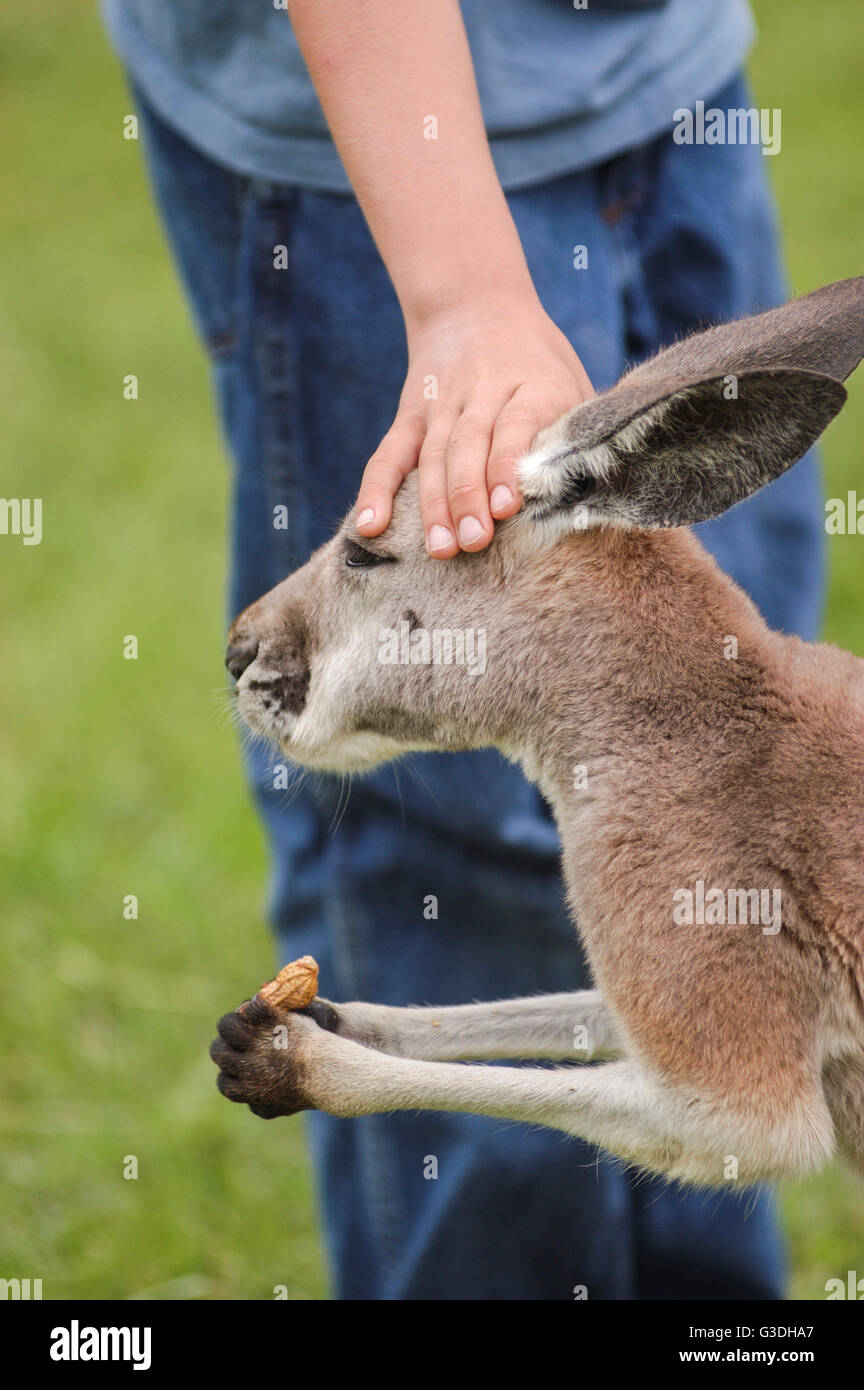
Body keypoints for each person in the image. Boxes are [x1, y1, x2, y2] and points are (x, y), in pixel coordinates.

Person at [102, 0, 823, 1300]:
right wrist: (464, 290)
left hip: (658, 71)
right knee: (465, 842)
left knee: (740, 742)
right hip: (383, 140)